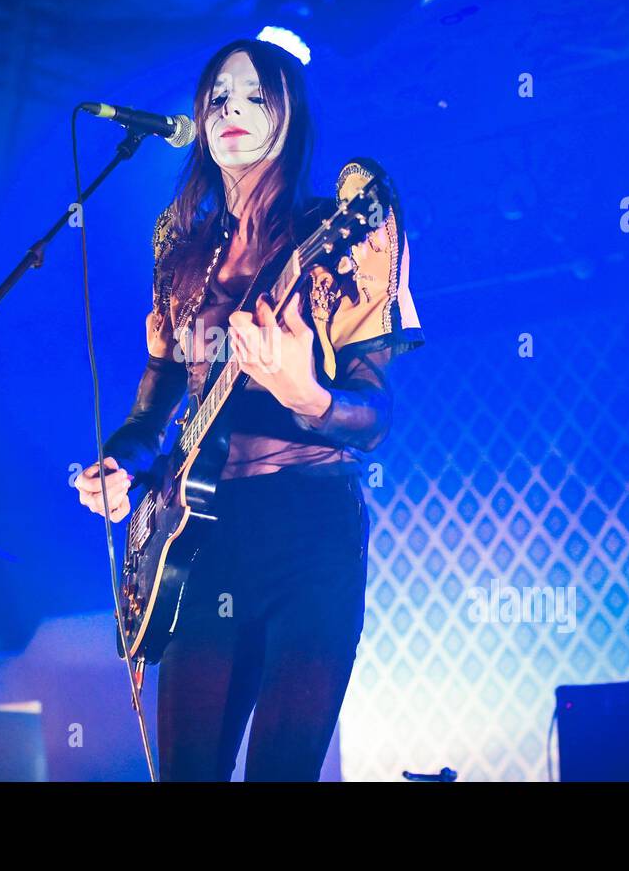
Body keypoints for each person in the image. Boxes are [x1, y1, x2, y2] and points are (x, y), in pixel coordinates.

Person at [74, 38, 423, 780]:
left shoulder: (336, 232)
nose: (231, 108)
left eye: (255, 95)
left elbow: (377, 414)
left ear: (288, 114)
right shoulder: (181, 249)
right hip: (201, 541)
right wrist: (120, 464)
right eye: (218, 95)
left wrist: (311, 396)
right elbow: (157, 397)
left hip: (311, 529)